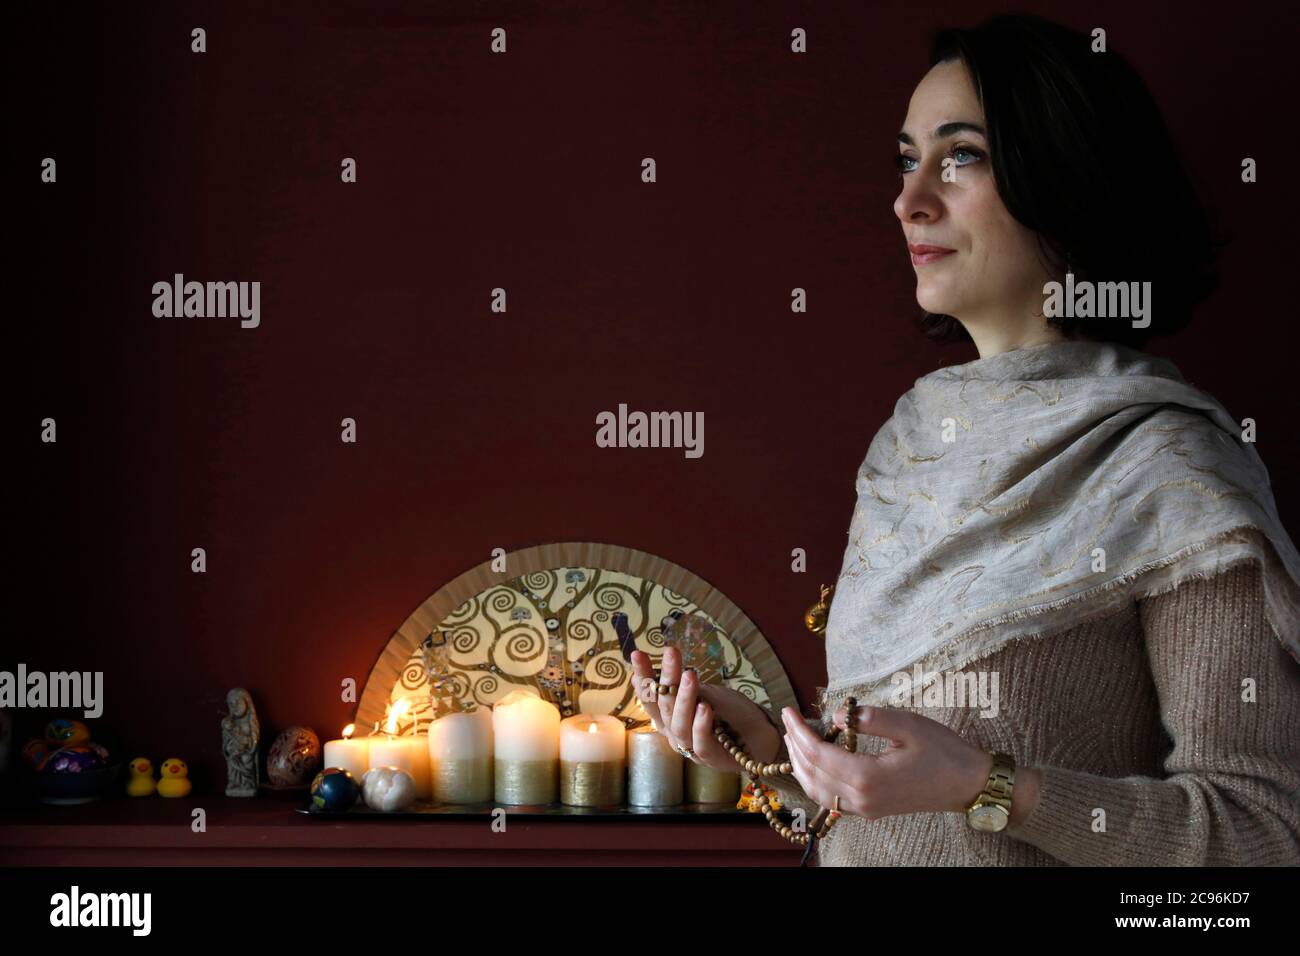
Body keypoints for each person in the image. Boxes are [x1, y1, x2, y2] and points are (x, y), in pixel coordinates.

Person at [632, 13, 1300, 866]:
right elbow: (893, 813)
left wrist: (992, 789)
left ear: (1066, 176)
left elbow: (1264, 840)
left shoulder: (1170, 471)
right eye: (908, 160)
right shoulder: (905, 449)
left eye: (962, 157)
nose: (909, 198)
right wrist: (775, 750)